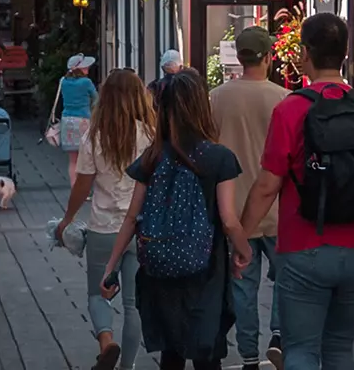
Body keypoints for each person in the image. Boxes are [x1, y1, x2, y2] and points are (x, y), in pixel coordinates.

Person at [238, 13, 354, 370]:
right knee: (339, 349)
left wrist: (242, 240)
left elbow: (266, 187)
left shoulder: (291, 110)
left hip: (305, 247)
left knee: (302, 351)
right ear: (344, 52)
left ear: (305, 53)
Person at [101, 70, 244, 370]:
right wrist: (244, 251)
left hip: (160, 267)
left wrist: (111, 267)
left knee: (171, 352)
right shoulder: (219, 158)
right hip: (206, 269)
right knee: (207, 352)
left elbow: (131, 218)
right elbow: (229, 220)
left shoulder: (152, 157)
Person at [55, 68, 156, 370]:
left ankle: (106, 341)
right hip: (140, 228)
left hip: (103, 228)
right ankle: (128, 365)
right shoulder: (151, 135)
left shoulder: (95, 136)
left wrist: (67, 219)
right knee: (134, 303)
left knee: (97, 293)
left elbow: (83, 184)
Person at [212, 27, 291, 370]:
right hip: (275, 206)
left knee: (243, 284)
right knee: (286, 277)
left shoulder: (216, 97)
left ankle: (247, 354)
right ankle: (278, 335)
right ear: (269, 56)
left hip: (233, 209)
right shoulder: (283, 98)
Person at [60, 54, 100, 182]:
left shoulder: (63, 81)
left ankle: (74, 187)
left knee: (73, 160)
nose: (87, 68)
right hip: (83, 120)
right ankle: (85, 189)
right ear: (79, 68)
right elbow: (96, 99)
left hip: (67, 121)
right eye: (85, 66)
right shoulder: (86, 82)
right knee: (87, 158)